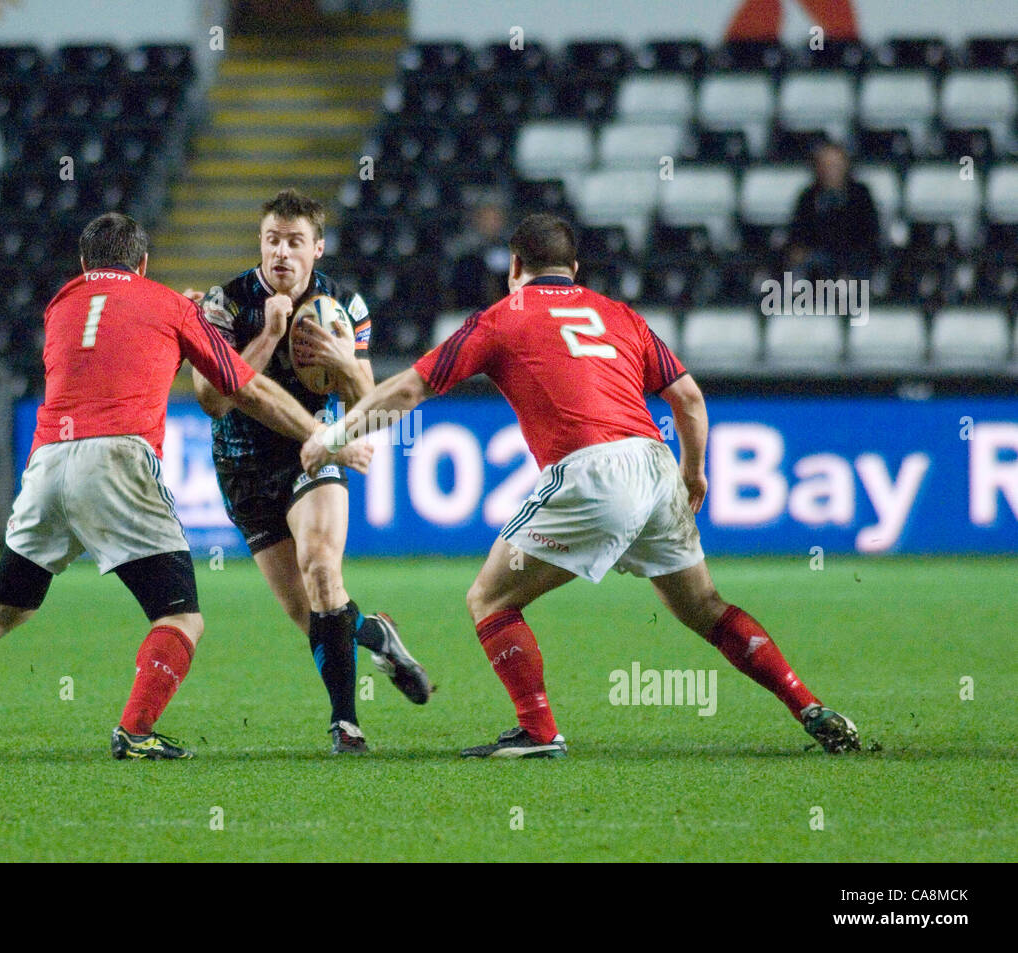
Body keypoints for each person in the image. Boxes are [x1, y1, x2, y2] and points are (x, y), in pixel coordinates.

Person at [303, 212, 861, 758]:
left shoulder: (502, 315)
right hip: (655, 464)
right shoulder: (619, 314)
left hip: (593, 470)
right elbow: (687, 398)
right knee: (705, 608)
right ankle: (806, 703)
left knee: (490, 599)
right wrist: (694, 471)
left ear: (515, 265)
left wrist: (332, 437)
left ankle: (539, 731)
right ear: (574, 267)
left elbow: (409, 390)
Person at [0, 212, 368, 761]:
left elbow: (117, 353)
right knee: (180, 617)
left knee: (1, 609)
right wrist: (319, 432)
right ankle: (136, 731)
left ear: (83, 264)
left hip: (48, 463)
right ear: (143, 263)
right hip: (118, 460)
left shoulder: (61, 304)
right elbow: (245, 390)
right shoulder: (168, 304)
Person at [186, 188, 432, 756]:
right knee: (311, 615)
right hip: (244, 468)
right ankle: (376, 635)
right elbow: (213, 401)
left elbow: (372, 406)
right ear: (260, 243)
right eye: (272, 240)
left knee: (322, 570)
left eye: (295, 242)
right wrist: (270, 333)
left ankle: (345, 724)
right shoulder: (224, 305)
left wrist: (345, 364)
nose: (281, 253)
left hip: (315, 457)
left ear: (317, 248)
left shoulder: (346, 306)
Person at [787, 141, 880, 283]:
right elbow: (798, 233)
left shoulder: (860, 195)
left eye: (835, 165)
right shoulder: (808, 197)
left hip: (853, 257)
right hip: (817, 258)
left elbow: (869, 234)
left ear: (845, 166)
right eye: (825, 165)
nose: (830, 171)